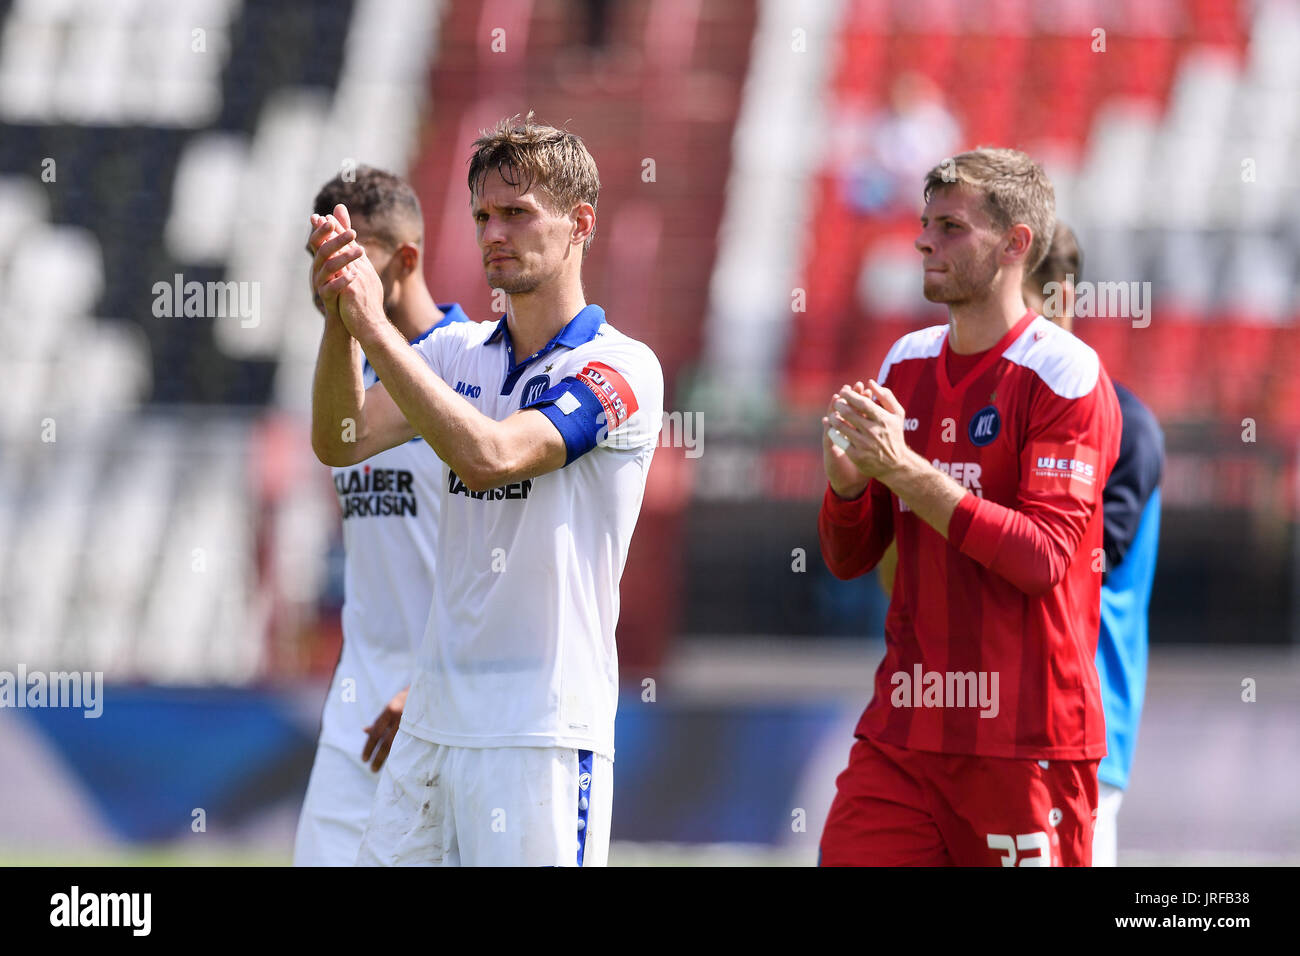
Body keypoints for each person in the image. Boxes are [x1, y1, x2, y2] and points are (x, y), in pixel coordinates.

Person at [308, 113, 663, 866]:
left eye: (517, 212)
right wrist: (341, 318)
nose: (494, 232)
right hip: (433, 724)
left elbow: (493, 457)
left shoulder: (622, 367)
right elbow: (340, 441)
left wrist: (375, 331)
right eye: (481, 216)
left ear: (580, 225)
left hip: (539, 732)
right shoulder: (451, 350)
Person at [818, 148, 1122, 866]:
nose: (925, 240)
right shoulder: (905, 363)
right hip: (904, 734)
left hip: (1026, 743)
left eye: (951, 227)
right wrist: (850, 489)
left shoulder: (1066, 373)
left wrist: (904, 469)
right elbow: (849, 558)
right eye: (925, 224)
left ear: (1017, 244)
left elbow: (1043, 558)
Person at [294, 166, 470, 866]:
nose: (328, 273)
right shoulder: (346, 383)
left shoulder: (476, 369)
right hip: (354, 716)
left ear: (406, 258)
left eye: (350, 251)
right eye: (319, 255)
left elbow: (502, 556)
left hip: (452, 707)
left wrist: (429, 682)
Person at [1022, 223, 1164, 867]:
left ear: (1056, 303)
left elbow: (1069, 566)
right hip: (984, 729)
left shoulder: (1124, 425)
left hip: (1083, 730)